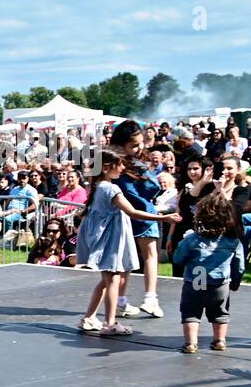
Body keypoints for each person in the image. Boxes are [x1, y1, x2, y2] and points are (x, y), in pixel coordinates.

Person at [77, 150, 181, 336]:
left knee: (107, 280)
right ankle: (110, 323)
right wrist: (163, 218)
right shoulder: (111, 189)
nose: (123, 168)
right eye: (120, 164)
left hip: (104, 238)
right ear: (108, 168)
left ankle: (89, 317)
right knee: (113, 279)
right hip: (111, 240)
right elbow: (133, 212)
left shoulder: (99, 186)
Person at [172, 193, 244, 354]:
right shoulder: (232, 241)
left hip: (194, 282)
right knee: (220, 313)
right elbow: (239, 265)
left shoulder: (192, 239)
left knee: (190, 313)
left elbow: (178, 258)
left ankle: (190, 343)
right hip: (219, 284)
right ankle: (219, 340)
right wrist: (235, 281)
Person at [113, 120, 164, 319]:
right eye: (134, 145)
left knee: (127, 260)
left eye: (140, 143)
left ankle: (121, 301)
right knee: (150, 255)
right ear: (122, 145)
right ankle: (150, 298)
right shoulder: (136, 165)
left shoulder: (114, 163)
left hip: (125, 214)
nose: (139, 147)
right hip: (143, 213)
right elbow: (154, 187)